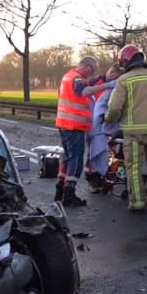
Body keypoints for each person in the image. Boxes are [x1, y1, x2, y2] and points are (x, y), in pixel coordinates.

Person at [105, 44, 147, 213]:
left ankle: (137, 204)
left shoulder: (124, 80)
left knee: (133, 168)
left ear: (125, 62)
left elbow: (114, 107)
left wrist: (108, 119)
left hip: (132, 132)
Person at [54, 56, 99, 207]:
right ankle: (69, 193)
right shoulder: (78, 79)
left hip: (63, 123)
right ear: (87, 66)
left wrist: (101, 79)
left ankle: (59, 190)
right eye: (92, 70)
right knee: (76, 159)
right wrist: (106, 85)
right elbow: (83, 91)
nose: (92, 74)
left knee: (67, 156)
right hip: (75, 125)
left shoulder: (68, 76)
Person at [86, 65, 123, 192]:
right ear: (112, 73)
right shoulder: (96, 83)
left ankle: (106, 176)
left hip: (106, 123)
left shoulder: (110, 85)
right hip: (94, 122)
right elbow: (100, 104)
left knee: (109, 150)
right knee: (94, 151)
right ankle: (94, 179)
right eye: (117, 78)